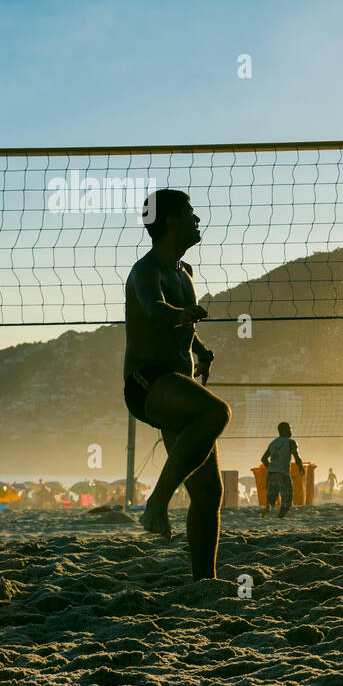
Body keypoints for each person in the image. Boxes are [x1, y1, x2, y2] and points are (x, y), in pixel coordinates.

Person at [123, 189, 229, 580]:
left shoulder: (184, 271)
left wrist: (200, 348)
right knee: (217, 411)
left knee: (209, 493)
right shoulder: (146, 270)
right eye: (190, 213)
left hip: (177, 384)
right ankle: (157, 502)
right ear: (169, 220)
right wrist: (185, 314)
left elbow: (181, 323)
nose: (197, 219)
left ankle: (205, 582)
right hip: (147, 383)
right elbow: (155, 311)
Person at [261, 422, 303, 518]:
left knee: (271, 501)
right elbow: (297, 456)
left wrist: (271, 467)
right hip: (283, 474)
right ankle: (279, 518)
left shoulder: (272, 443)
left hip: (271, 474)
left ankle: (265, 513)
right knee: (287, 502)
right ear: (284, 430)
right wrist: (300, 467)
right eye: (289, 429)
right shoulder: (291, 442)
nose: (291, 431)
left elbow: (263, 459)